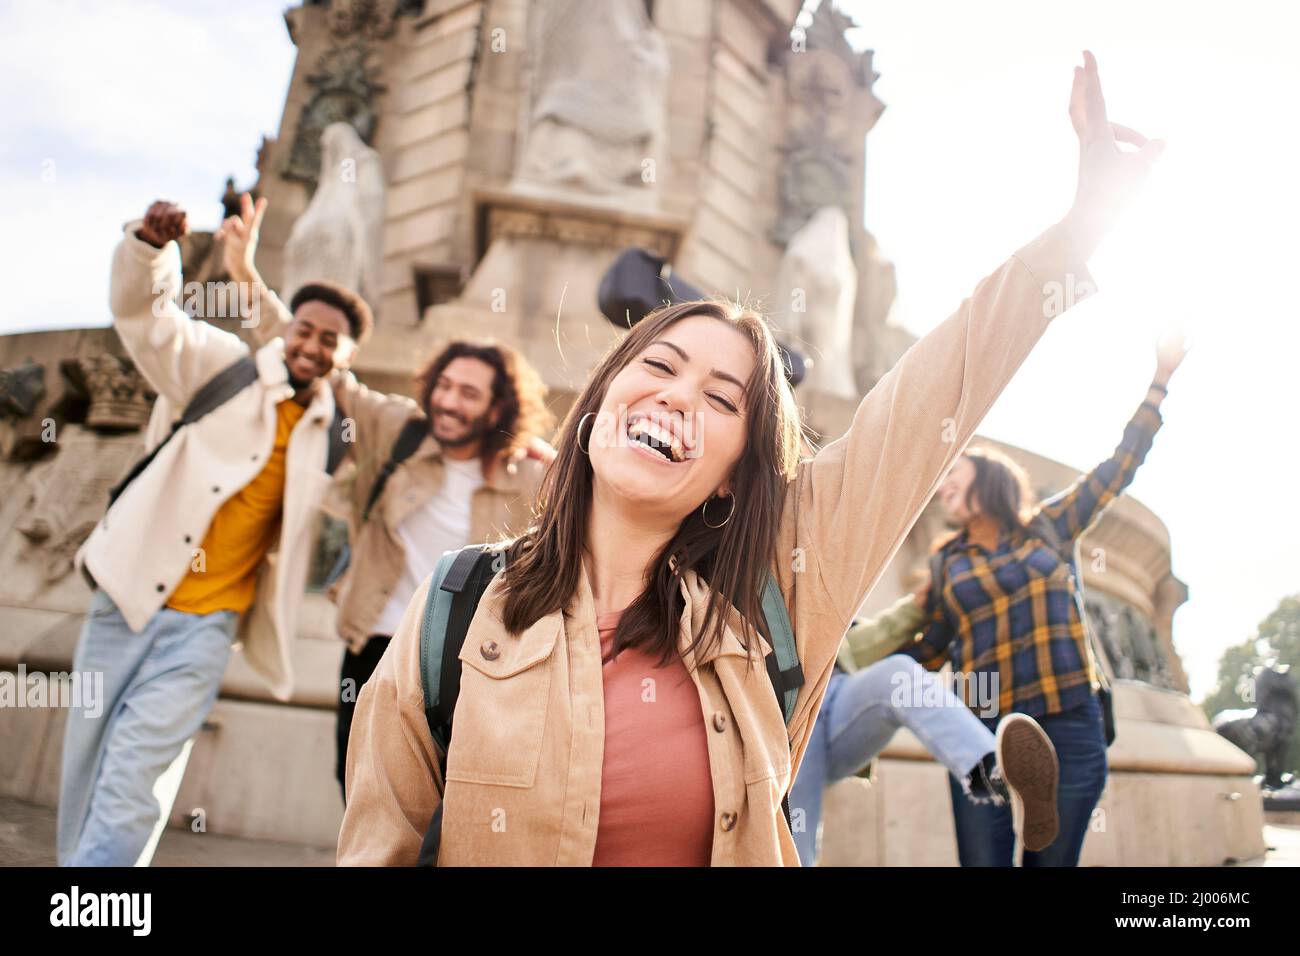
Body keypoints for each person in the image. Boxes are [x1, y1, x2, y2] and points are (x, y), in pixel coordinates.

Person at [337, 51, 1164, 866]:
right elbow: (377, 845)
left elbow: (926, 405)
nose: (678, 397)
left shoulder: (778, 590)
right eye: (658, 367)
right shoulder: (456, 605)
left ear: (737, 467)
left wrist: (1075, 233)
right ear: (597, 407)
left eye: (723, 398)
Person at [58, 199, 371, 866]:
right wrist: (149, 249)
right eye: (303, 330)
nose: (311, 346)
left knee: (136, 773)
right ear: (287, 330)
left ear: (344, 358)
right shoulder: (221, 365)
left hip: (207, 628)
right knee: (89, 758)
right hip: (126, 596)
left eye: (329, 341)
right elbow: (147, 319)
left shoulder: (331, 434)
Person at [214, 196, 555, 797]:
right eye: (444, 386)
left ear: (498, 407)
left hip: (471, 656)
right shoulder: (395, 430)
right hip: (377, 645)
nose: (449, 402)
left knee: (452, 798)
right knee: (361, 788)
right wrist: (245, 276)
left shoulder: (524, 476)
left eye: (468, 394)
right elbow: (312, 359)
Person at [903, 332, 1189, 866]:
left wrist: (1160, 383)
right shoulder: (947, 562)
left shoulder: (1050, 527)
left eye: (954, 480)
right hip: (980, 719)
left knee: (1052, 861)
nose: (944, 491)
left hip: (1066, 713)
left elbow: (1117, 469)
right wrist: (859, 666)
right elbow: (935, 644)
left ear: (989, 481)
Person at [788, 575, 1058, 866]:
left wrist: (915, 608)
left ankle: (996, 773)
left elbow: (854, 649)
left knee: (899, 674)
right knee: (793, 846)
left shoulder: (810, 589)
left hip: (834, 696)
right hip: (782, 716)